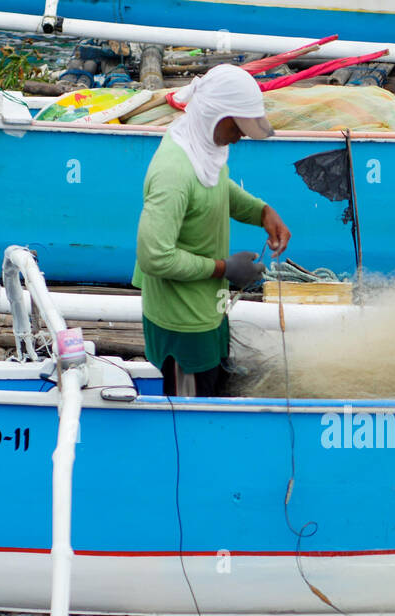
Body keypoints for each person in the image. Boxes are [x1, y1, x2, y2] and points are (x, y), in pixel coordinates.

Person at [133, 64, 291, 397]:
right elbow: (154, 257)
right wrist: (224, 268)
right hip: (181, 324)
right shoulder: (173, 174)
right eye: (238, 126)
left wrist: (262, 212)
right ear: (214, 114)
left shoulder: (203, 145)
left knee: (215, 390)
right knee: (189, 410)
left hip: (209, 310)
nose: (242, 135)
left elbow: (217, 186)